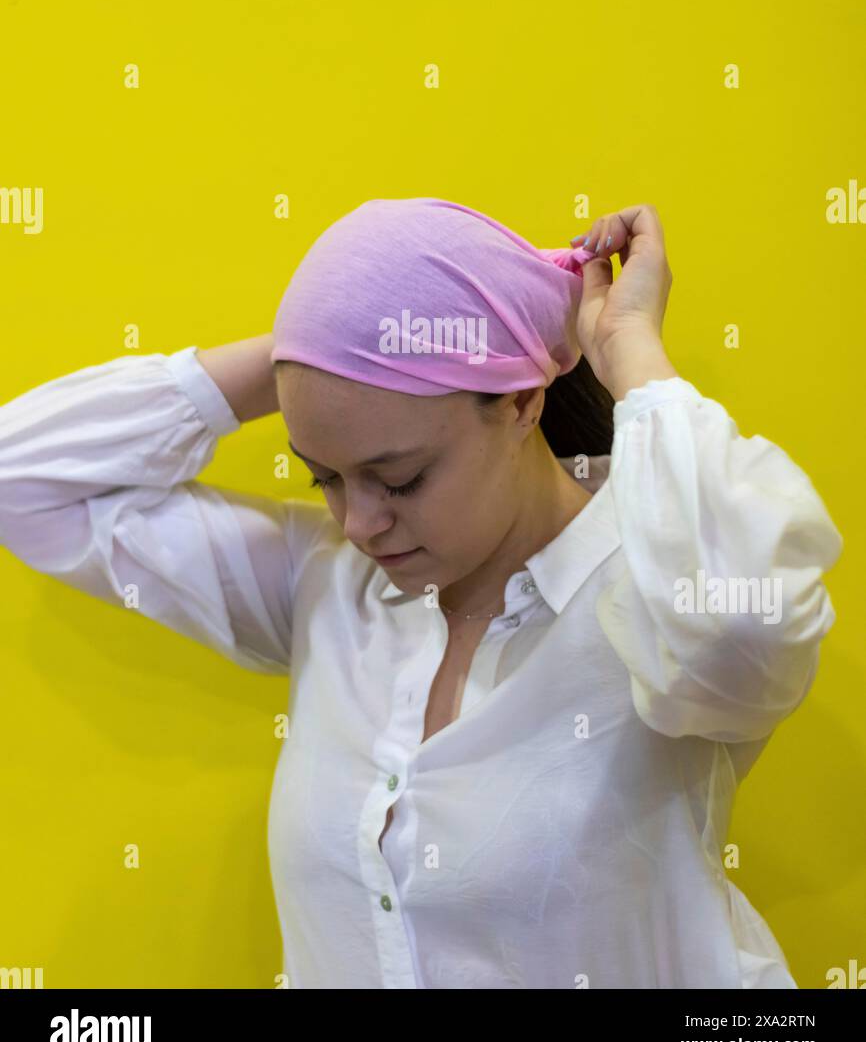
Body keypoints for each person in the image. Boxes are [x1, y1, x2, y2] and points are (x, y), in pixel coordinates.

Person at [0, 199, 843, 989]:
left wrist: (629, 354)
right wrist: (315, 347)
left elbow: (742, 622)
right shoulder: (327, 584)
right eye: (324, 476)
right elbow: (22, 482)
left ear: (520, 401)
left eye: (397, 478)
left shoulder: (660, 594)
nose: (361, 522)